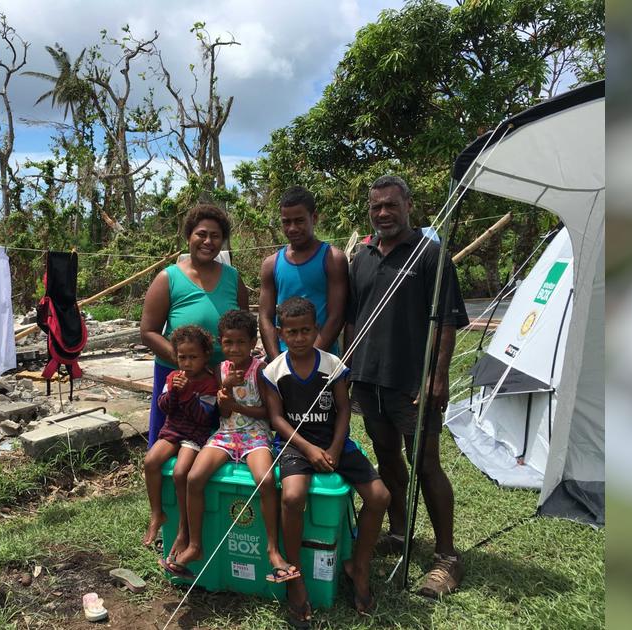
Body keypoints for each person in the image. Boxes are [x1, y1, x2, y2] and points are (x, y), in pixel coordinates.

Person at [343, 175, 470, 598]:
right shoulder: (360, 257)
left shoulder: (430, 255)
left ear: (408, 205)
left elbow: (449, 321)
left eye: (390, 205)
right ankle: (398, 533)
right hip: (368, 379)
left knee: (426, 465)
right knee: (387, 458)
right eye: (376, 206)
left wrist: (437, 375)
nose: (383, 213)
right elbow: (351, 319)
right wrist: (346, 370)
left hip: (412, 384)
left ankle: (447, 558)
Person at [262, 297, 390, 623]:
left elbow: (344, 409)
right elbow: (277, 419)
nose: (300, 337)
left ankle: (359, 566)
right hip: (295, 445)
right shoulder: (273, 371)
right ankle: (295, 575)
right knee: (292, 496)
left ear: (317, 330)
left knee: (380, 497)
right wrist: (308, 450)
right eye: (292, 332)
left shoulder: (332, 364)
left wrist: (334, 448)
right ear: (281, 333)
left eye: (306, 330)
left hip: (335, 443)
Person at [171, 309, 296, 585]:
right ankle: (194, 544)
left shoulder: (261, 370)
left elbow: (270, 415)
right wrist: (225, 390)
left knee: (264, 480)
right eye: (228, 342)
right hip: (226, 434)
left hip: (255, 435)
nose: (234, 348)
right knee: (194, 477)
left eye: (241, 342)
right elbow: (223, 414)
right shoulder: (219, 369)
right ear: (220, 342)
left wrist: (235, 403)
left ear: (253, 342)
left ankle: (273, 550)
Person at [140, 204, 249, 451]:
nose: (208, 241)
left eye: (216, 236)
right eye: (201, 234)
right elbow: (148, 331)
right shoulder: (168, 278)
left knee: (220, 450)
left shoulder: (233, 278)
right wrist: (187, 365)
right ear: (188, 235)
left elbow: (244, 328)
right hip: (178, 377)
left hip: (223, 380)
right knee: (170, 449)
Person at [142, 325, 221, 575]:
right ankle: (157, 514)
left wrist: (186, 393)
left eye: (193, 357)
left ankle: (184, 530)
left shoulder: (209, 382)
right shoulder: (172, 377)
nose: (187, 363)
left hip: (195, 434)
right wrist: (174, 391)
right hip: (173, 429)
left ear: (205, 355)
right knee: (151, 461)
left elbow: (203, 417)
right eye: (182, 357)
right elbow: (164, 406)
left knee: (180, 473)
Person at [259, 185, 348, 360]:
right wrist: (278, 363)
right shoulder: (271, 264)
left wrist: (309, 361)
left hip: (322, 360)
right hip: (283, 362)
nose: (292, 228)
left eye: (299, 220)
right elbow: (265, 317)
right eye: (286, 222)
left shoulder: (333, 259)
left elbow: (336, 316)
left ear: (313, 218)